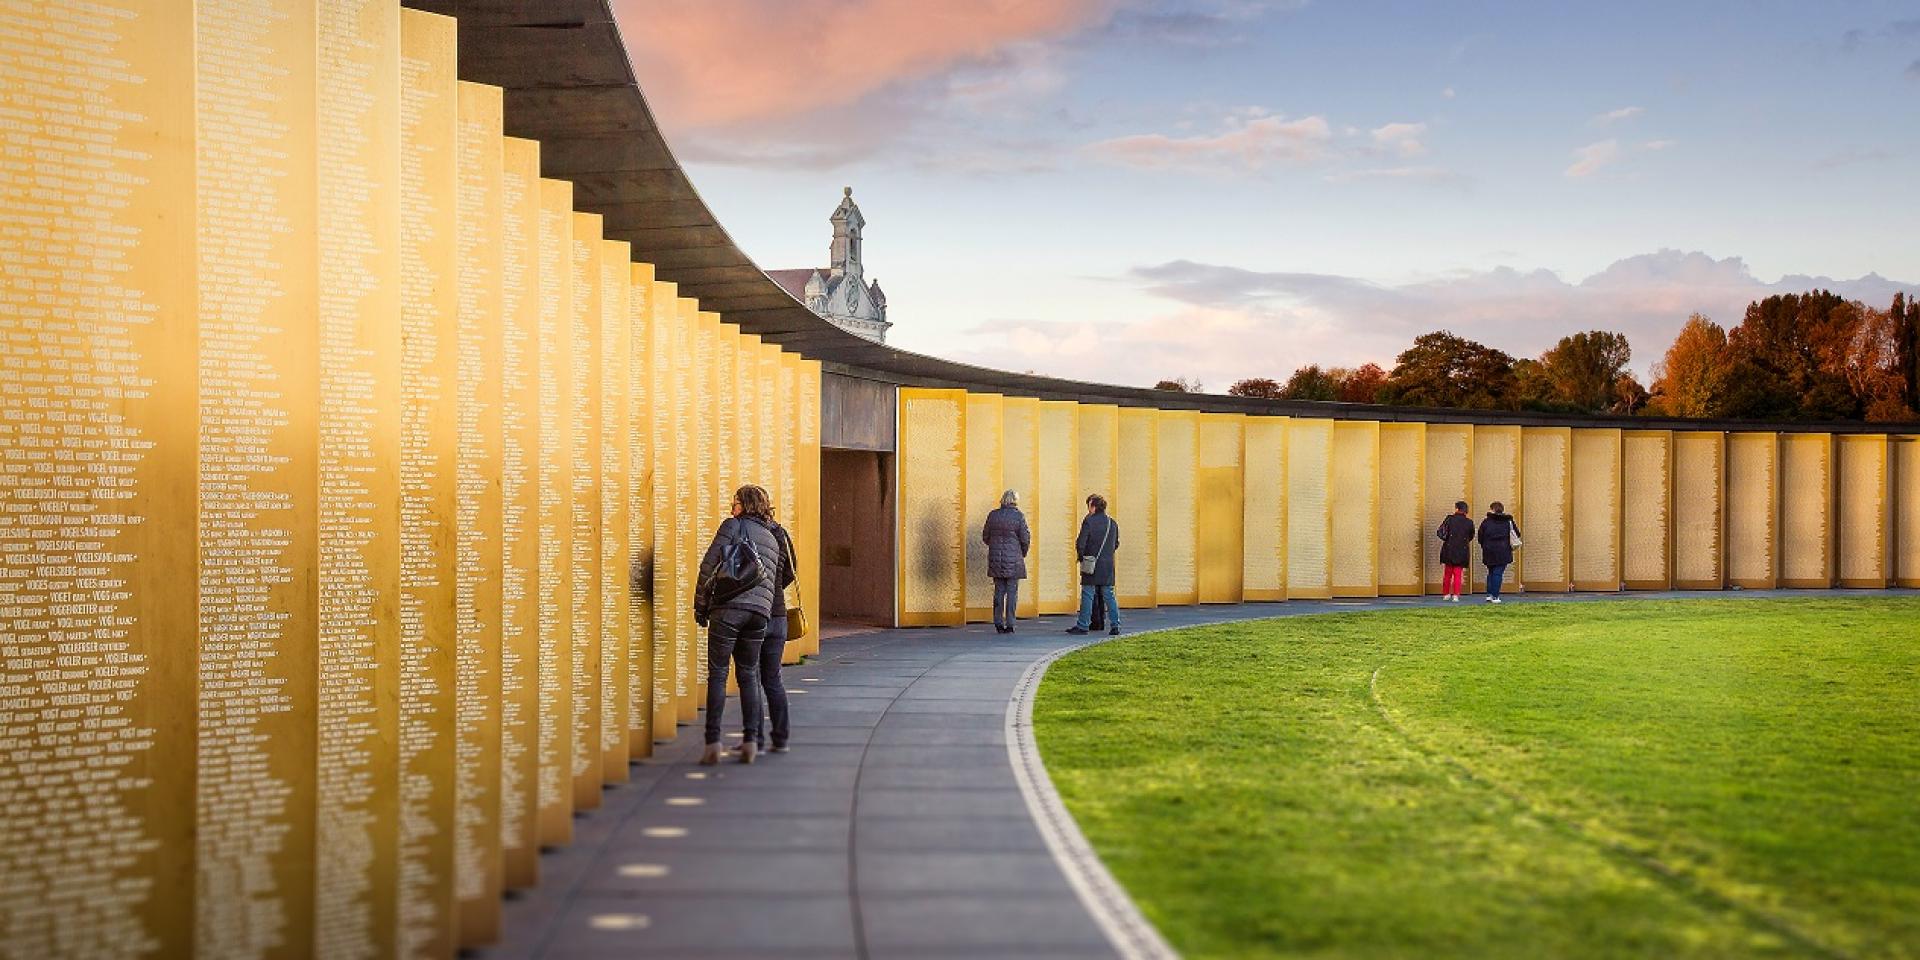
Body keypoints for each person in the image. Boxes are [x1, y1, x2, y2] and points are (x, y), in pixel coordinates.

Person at [694, 484, 781, 765]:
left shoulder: (732, 525)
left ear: (743, 505)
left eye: (735, 503)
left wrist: (701, 606)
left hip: (729, 608)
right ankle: (750, 742)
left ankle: (712, 743)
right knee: (748, 675)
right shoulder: (771, 536)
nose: (732, 508)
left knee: (718, 674)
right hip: (759, 615)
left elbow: (708, 566)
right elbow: (777, 579)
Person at [755, 502, 799, 755]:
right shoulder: (780, 532)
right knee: (773, 678)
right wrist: (774, 590)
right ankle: (780, 738)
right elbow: (791, 571)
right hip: (779, 614)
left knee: (751, 677)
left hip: (757, 613)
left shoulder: (744, 530)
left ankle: (756, 739)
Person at [1067, 494, 1120, 636]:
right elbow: (1116, 544)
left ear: (1093, 506)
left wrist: (1082, 558)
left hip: (1091, 564)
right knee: (1109, 595)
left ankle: (1083, 625)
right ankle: (1115, 625)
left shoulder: (1089, 522)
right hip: (1108, 565)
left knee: (1088, 594)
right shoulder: (1112, 523)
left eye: (1089, 506)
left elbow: (1080, 543)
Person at [981, 490, 1030, 634]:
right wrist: (1022, 553)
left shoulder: (993, 515)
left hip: (996, 559)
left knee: (999, 591)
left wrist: (995, 546)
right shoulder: (1018, 516)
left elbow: (985, 536)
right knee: (1012, 592)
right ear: (1015, 500)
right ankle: (1010, 623)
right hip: (1014, 559)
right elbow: (1025, 538)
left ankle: (997, 622)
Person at [1476, 501, 1520, 604]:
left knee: (1491, 572)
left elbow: (1480, 536)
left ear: (1492, 509)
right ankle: (1495, 596)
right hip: (1503, 550)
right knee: (1498, 573)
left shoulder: (1486, 522)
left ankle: (1489, 595)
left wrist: (1485, 545)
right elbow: (1517, 533)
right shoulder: (1508, 521)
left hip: (1489, 550)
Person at [1435, 500, 1475, 601]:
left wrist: (1448, 539)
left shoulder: (1449, 519)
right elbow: (1471, 536)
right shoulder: (1469, 522)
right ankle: (1456, 595)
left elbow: (1440, 532)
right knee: (1458, 574)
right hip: (1462, 549)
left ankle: (1446, 593)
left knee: (1447, 574)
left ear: (1457, 509)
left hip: (1449, 548)